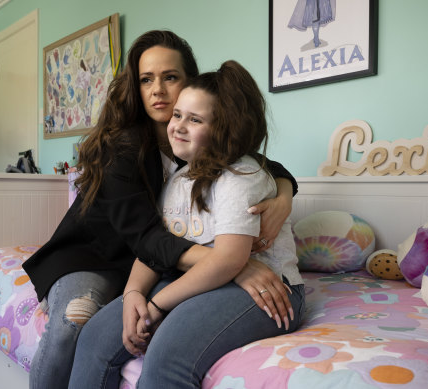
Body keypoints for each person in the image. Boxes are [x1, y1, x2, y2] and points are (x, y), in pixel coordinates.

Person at [22, 30, 298, 389]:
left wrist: (284, 194)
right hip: (98, 254)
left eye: (170, 77)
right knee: (74, 323)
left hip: (161, 263)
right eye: (146, 79)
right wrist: (235, 264)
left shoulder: (203, 149)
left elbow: (258, 165)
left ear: (190, 81)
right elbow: (150, 238)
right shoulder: (120, 148)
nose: (158, 90)